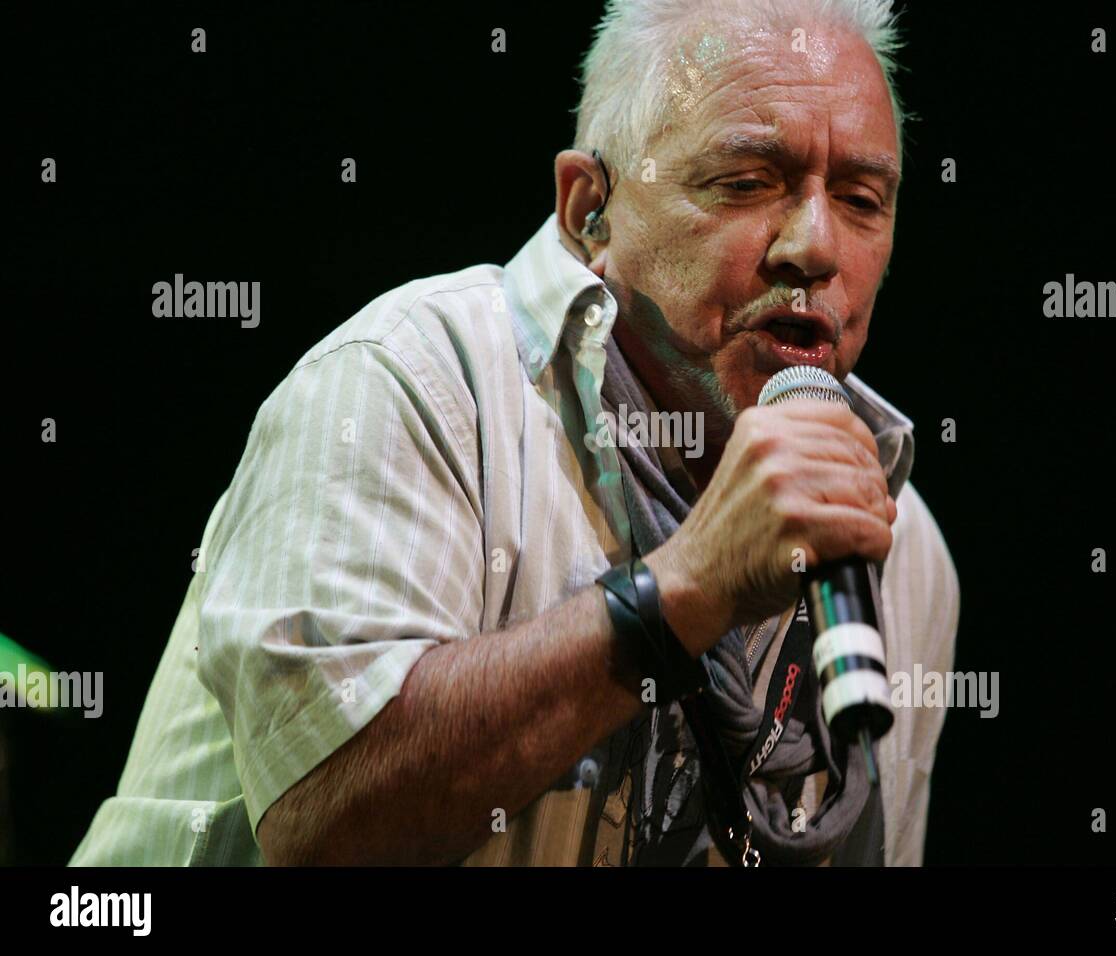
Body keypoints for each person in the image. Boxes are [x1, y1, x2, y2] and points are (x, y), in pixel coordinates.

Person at [70, 0, 958, 867]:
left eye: (861, 199)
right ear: (589, 211)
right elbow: (325, 827)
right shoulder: (411, 379)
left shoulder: (900, 541)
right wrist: (686, 589)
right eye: (748, 181)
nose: (815, 246)